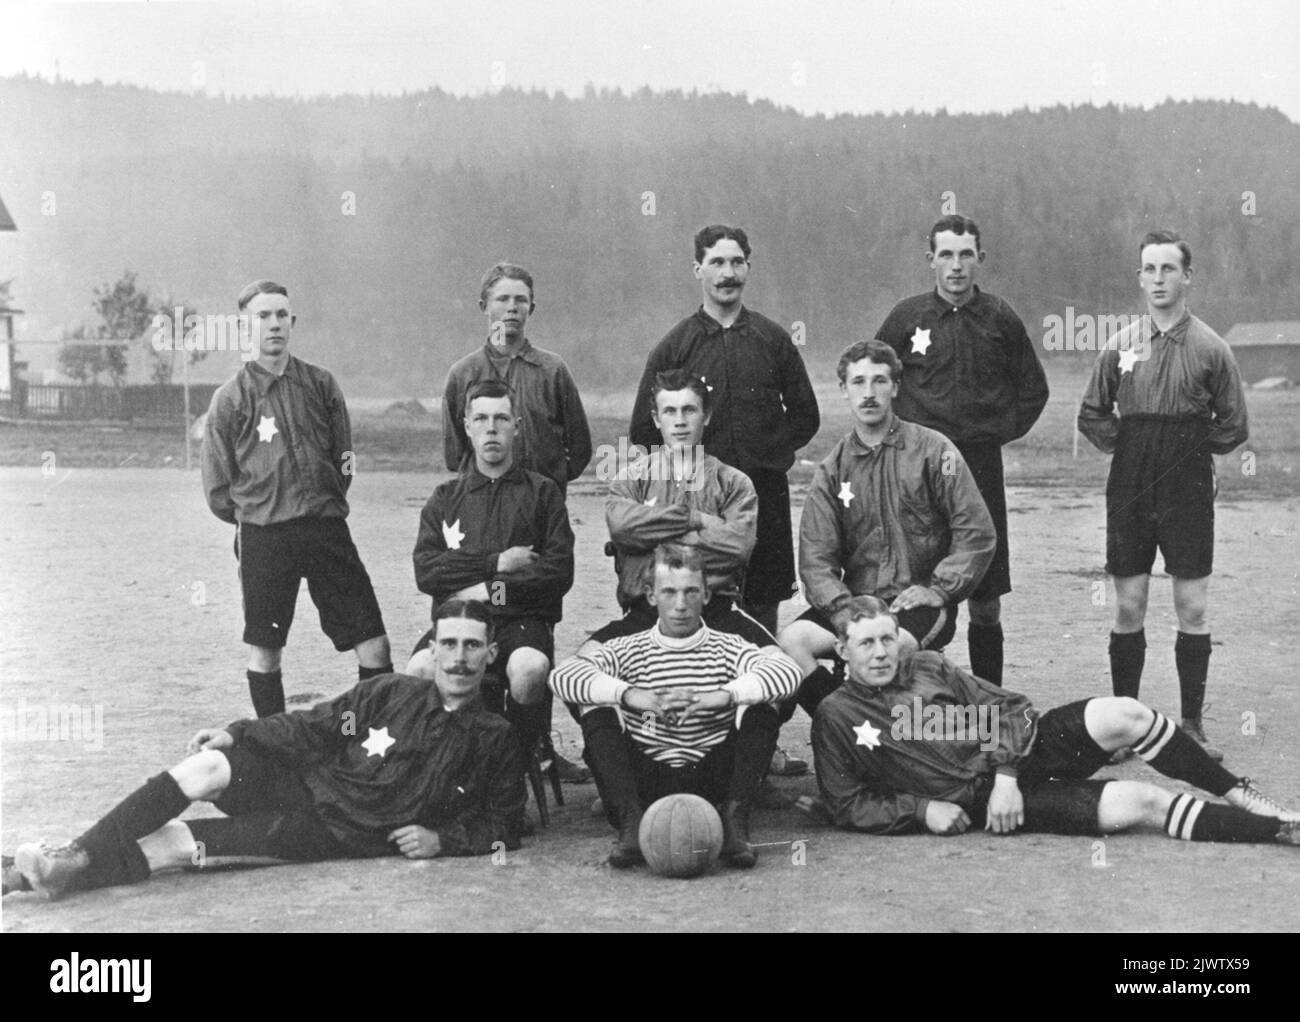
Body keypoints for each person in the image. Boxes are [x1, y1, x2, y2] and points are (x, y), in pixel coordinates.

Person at [3, 600, 525, 901]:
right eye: (449, 644)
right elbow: (311, 727)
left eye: (473, 645)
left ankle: (35, 875)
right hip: (303, 785)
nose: (459, 659)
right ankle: (71, 853)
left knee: (180, 844)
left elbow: (504, 824)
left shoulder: (496, 738)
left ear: (491, 653)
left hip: (329, 832)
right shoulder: (390, 692)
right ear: (432, 650)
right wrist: (238, 733)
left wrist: (443, 838)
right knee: (209, 765)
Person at [804, 596, 1298, 849]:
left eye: (887, 639)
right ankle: (1276, 830)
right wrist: (920, 811)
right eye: (865, 644)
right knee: (1144, 802)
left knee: (1125, 711)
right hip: (978, 802)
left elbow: (1013, 707)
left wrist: (1006, 776)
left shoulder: (929, 665)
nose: (880, 653)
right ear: (842, 651)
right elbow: (846, 803)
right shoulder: (836, 715)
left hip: (1019, 758)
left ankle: (1238, 791)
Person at [1078, 231, 1249, 761]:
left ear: (1187, 276)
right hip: (1130, 479)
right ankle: (1126, 726)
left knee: (1191, 604)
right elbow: (1092, 412)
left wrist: (1190, 453)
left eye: (1168, 269)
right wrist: (1129, 447)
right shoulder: (1120, 344)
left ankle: (1192, 724)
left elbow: (1234, 424)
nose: (1158, 279)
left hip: (1187, 481)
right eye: (1148, 270)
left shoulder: (1211, 348)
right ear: (1139, 278)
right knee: (1128, 604)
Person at [201, 280, 391, 718]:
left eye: (281, 315)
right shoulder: (229, 399)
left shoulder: (321, 384)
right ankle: (275, 748)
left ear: (292, 322)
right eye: (262, 316)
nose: (273, 324)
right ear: (242, 327)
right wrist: (263, 509)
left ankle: (379, 743)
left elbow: (344, 459)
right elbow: (217, 489)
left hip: (325, 529)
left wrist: (320, 502)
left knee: (373, 639)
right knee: (266, 649)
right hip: (265, 538)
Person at [778, 340, 995, 720]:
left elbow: (975, 530)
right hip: (854, 603)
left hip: (916, 604)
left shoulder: (934, 451)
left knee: (886, 651)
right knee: (791, 642)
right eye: (858, 382)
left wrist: (938, 589)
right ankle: (843, 723)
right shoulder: (833, 469)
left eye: (879, 381)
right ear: (843, 389)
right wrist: (845, 610)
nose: (868, 393)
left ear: (895, 387)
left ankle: (888, 739)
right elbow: (816, 557)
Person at [550, 544, 802, 869]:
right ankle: (630, 822)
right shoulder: (626, 648)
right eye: (669, 592)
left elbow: (788, 673)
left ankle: (734, 820)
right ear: (651, 596)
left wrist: (723, 696)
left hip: (711, 774)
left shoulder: (729, 647)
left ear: (707, 595)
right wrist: (630, 695)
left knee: (762, 704)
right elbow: (564, 675)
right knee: (595, 705)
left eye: (691, 592)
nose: (681, 605)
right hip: (646, 777)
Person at [875, 215, 1049, 686]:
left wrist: (992, 434)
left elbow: (1033, 390)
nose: (956, 266)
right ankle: (914, 697)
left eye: (965, 254)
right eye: (946, 255)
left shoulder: (1000, 317)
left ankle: (990, 699)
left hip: (978, 467)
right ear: (930, 259)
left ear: (980, 260)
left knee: (985, 594)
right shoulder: (905, 317)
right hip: (915, 471)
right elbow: (873, 379)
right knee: (913, 587)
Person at [628, 225, 820, 637]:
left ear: (748, 268)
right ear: (698, 269)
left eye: (736, 262)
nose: (727, 273)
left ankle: (760, 695)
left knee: (762, 601)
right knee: (697, 596)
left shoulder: (773, 339)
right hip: (699, 497)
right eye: (716, 262)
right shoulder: (675, 345)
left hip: (764, 491)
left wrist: (768, 451)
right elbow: (643, 430)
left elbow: (806, 416)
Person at [412, 379, 575, 775]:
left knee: (529, 669)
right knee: (417, 670)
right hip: (459, 623)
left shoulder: (543, 493)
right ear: (466, 426)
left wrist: (483, 590)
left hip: (519, 623)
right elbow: (427, 570)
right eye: (481, 418)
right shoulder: (445, 498)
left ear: (516, 426)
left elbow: (556, 573)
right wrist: (495, 563)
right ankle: (445, 775)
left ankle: (513, 772)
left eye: (501, 418)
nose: (491, 428)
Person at [592, 368, 770, 649]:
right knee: (583, 668)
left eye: (689, 410)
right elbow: (621, 527)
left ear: (706, 416)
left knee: (780, 668)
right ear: (655, 419)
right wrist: (693, 519)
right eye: (669, 411)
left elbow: (737, 546)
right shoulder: (630, 478)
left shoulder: (734, 482)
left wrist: (653, 540)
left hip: (716, 609)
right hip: (645, 609)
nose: (680, 422)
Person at [442, 262, 592, 497]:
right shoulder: (463, 374)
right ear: (484, 307)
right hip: (481, 503)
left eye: (520, 300)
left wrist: (548, 484)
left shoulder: (552, 371)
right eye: (502, 299)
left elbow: (580, 448)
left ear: (531, 307)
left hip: (541, 508)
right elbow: (455, 454)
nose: (512, 308)